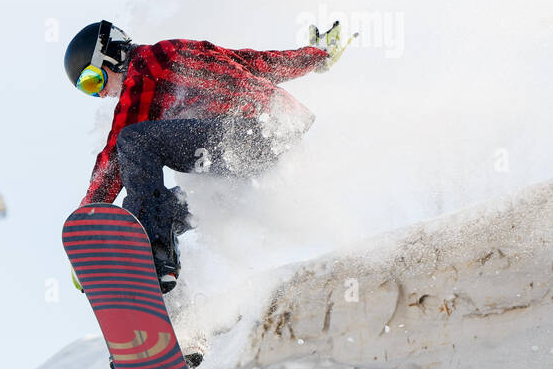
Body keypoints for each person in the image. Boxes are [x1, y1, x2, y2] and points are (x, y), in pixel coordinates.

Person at [64, 19, 352, 294]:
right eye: (87, 91)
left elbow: (116, 153)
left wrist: (86, 222)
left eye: (93, 81)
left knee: (133, 142)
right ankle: (175, 313)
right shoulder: (181, 55)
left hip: (253, 132)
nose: (99, 95)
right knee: (171, 212)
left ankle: (155, 254)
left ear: (112, 56)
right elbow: (258, 63)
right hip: (269, 151)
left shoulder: (146, 63)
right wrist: (317, 56)